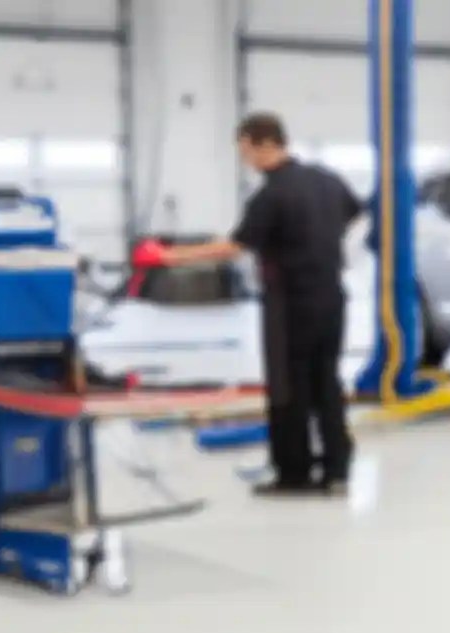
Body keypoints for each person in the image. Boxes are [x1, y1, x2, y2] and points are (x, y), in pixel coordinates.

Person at [135, 112, 361, 495]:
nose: (244, 159)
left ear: (262, 144)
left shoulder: (271, 194)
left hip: (290, 303)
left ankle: (294, 474)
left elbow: (234, 246)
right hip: (331, 297)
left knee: (288, 387)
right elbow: (355, 213)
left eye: (244, 149)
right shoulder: (328, 180)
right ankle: (337, 470)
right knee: (327, 383)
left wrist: (170, 257)